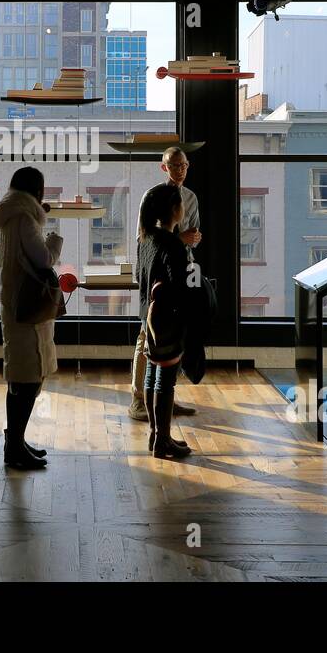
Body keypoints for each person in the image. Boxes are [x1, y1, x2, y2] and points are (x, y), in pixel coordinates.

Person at [0, 166, 64, 471]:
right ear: (37, 190)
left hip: (14, 303)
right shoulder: (24, 218)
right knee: (27, 379)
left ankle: (17, 441)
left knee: (20, 378)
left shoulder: (11, 215)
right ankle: (15, 446)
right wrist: (54, 238)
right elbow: (44, 259)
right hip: (27, 310)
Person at [128, 146, 200, 421]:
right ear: (164, 167)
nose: (180, 170)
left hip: (179, 267)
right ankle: (138, 399)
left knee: (171, 340)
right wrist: (179, 240)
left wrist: (188, 242)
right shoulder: (154, 196)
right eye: (174, 165)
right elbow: (146, 238)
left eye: (183, 165)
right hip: (157, 271)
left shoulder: (191, 198)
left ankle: (165, 397)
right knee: (147, 337)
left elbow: (192, 234)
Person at [137, 183, 194, 459]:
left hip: (147, 317)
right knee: (166, 381)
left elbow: (140, 276)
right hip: (167, 320)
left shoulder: (146, 238)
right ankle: (163, 440)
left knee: (151, 373)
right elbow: (179, 287)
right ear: (175, 209)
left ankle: (154, 434)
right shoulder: (173, 243)